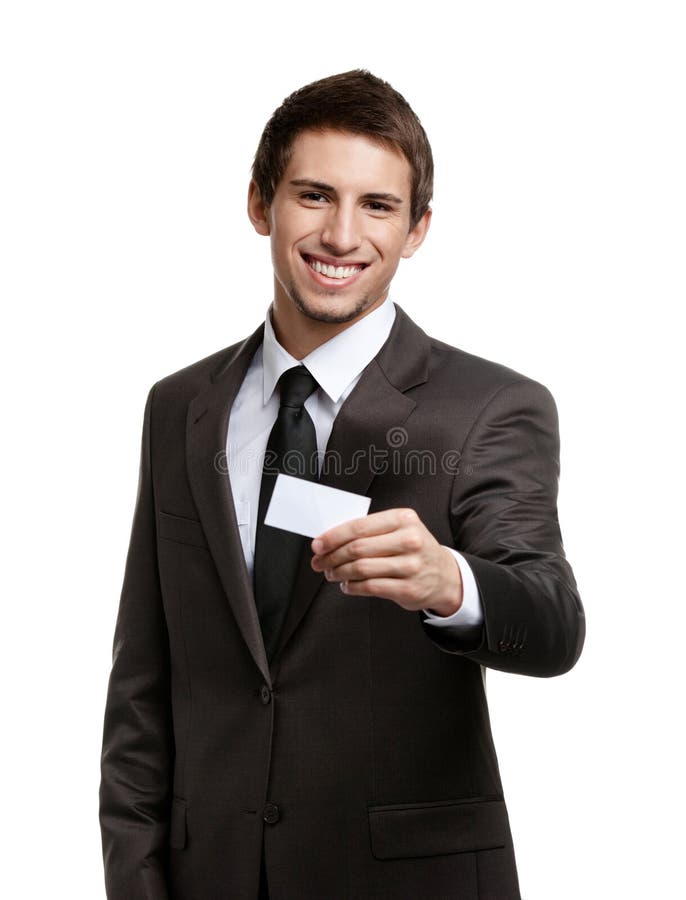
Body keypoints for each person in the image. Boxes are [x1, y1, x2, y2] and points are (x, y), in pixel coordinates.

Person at [99, 69, 585, 900]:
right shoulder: (180, 406)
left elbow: (552, 624)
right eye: (314, 196)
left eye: (378, 206)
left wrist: (451, 585)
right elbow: (144, 679)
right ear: (260, 204)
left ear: (418, 227)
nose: (341, 234)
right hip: (207, 874)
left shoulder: (489, 408)